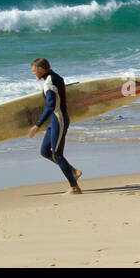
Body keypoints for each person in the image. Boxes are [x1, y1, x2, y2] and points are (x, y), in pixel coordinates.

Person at [26, 58, 83, 194]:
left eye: (34, 71)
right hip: (54, 121)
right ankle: (73, 171)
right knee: (45, 151)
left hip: (59, 120)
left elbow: (51, 106)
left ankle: (74, 187)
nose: (33, 73)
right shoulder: (54, 77)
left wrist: (37, 125)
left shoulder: (50, 82)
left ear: (41, 69)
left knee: (57, 154)